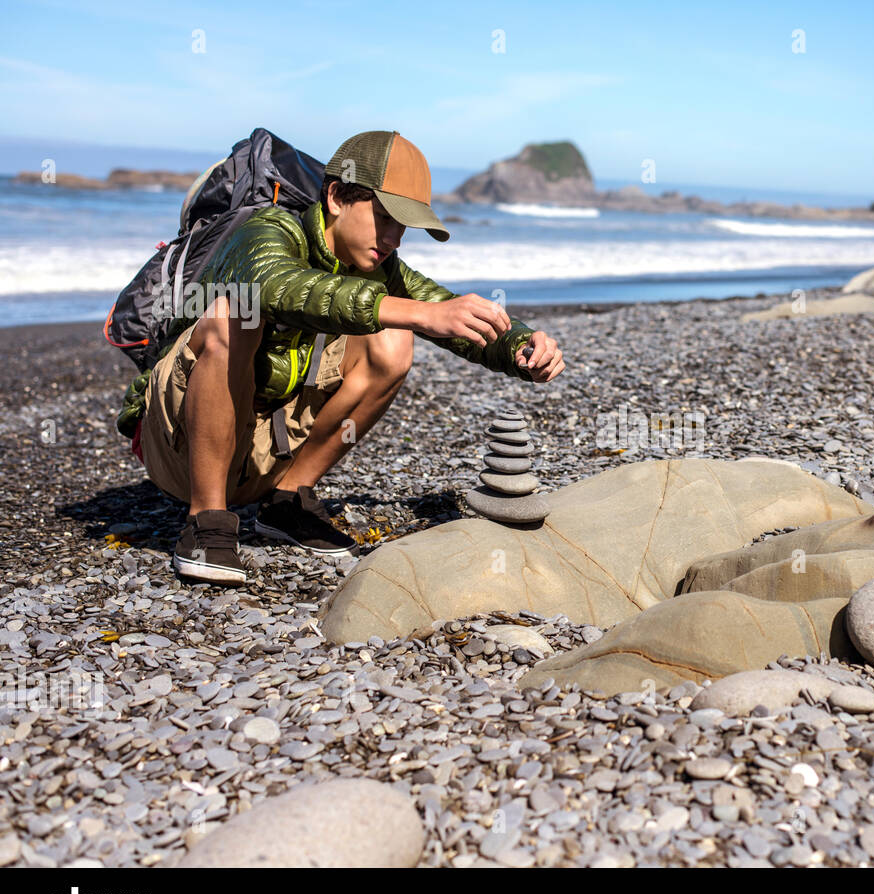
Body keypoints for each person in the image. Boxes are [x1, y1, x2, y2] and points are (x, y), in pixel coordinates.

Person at [115, 130, 564, 586]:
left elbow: (446, 310)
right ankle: (205, 523)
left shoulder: (373, 264)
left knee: (395, 339)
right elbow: (277, 287)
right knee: (238, 313)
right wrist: (421, 313)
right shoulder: (266, 231)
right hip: (178, 448)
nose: (394, 239)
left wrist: (521, 347)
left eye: (404, 226)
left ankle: (287, 501)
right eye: (385, 217)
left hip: (263, 452)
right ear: (336, 197)